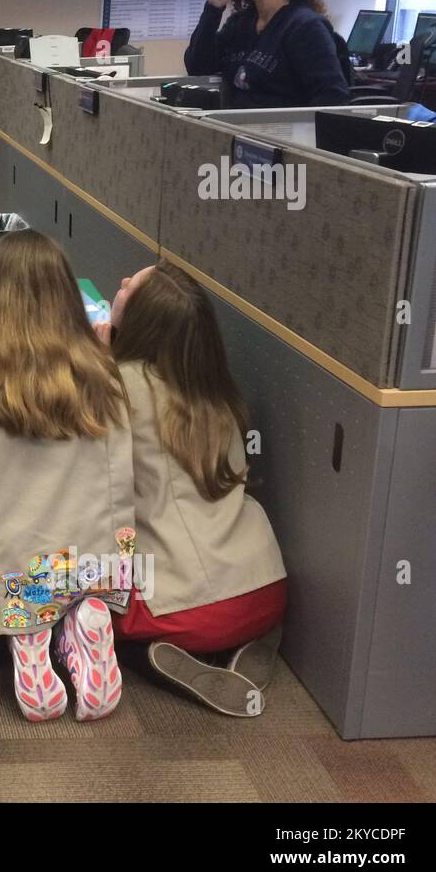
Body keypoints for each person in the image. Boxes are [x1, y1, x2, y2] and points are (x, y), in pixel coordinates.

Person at [0, 230, 134, 722]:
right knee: (79, 573)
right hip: (93, 559)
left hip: (11, 568)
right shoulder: (107, 378)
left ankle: (27, 636)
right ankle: (84, 616)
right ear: (68, 298)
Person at [95, 263, 287, 716]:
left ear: (144, 318)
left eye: (130, 285)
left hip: (181, 609)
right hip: (266, 591)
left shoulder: (118, 387)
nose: (121, 281)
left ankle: (156, 659)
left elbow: (88, 479)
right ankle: (249, 642)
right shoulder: (218, 391)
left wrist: (97, 367)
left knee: (65, 589)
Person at [184, 0, 349, 108]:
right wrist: (214, 8)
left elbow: (332, 95)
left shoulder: (305, 26)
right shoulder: (240, 23)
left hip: (281, 131)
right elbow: (197, 67)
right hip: (236, 127)